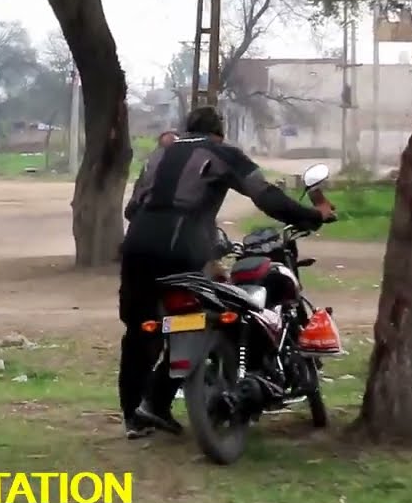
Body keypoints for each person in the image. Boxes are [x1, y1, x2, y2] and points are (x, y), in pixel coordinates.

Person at [117, 106, 335, 439]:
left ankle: (135, 416)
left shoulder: (159, 157)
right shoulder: (221, 153)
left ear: (187, 130)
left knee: (140, 331)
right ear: (220, 132)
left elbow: (132, 209)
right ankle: (176, 399)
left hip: (135, 246)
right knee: (205, 321)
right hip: (182, 249)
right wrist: (312, 215)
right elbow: (265, 196)